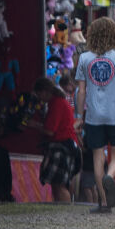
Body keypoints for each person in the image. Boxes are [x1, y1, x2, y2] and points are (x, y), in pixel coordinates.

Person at [75, 17, 115, 213]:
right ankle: (110, 176)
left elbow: (81, 91)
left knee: (98, 156)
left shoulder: (85, 58)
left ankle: (103, 202)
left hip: (93, 116)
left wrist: (78, 116)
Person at [37, 76, 80, 204]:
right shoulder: (58, 102)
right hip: (66, 144)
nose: (39, 98)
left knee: (59, 184)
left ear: (44, 91)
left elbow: (50, 130)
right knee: (57, 183)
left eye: (39, 94)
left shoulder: (57, 103)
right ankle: (61, 211)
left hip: (62, 145)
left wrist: (34, 125)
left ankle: (65, 212)